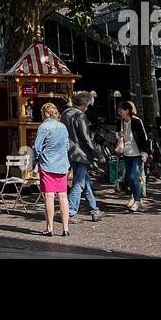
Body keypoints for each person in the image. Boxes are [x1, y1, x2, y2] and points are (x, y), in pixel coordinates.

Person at [62, 91, 102, 222]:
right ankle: (70, 212)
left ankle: (94, 210)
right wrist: (97, 154)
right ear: (84, 104)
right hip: (81, 154)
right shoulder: (80, 116)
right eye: (87, 105)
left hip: (69, 151)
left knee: (85, 182)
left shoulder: (65, 114)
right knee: (78, 183)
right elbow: (85, 138)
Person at [33, 102, 71, 236]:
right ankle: (65, 228)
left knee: (49, 196)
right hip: (62, 165)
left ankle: (50, 228)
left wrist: (37, 159)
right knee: (63, 196)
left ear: (44, 113)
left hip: (48, 164)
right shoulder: (63, 127)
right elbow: (67, 146)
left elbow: (37, 147)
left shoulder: (44, 127)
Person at [116, 100, 149, 213]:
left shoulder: (136, 122)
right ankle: (133, 197)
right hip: (126, 154)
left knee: (134, 177)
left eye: (121, 109)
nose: (119, 111)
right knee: (129, 177)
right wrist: (118, 136)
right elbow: (118, 134)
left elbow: (143, 137)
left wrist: (145, 152)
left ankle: (138, 200)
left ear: (127, 110)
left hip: (137, 154)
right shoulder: (121, 122)